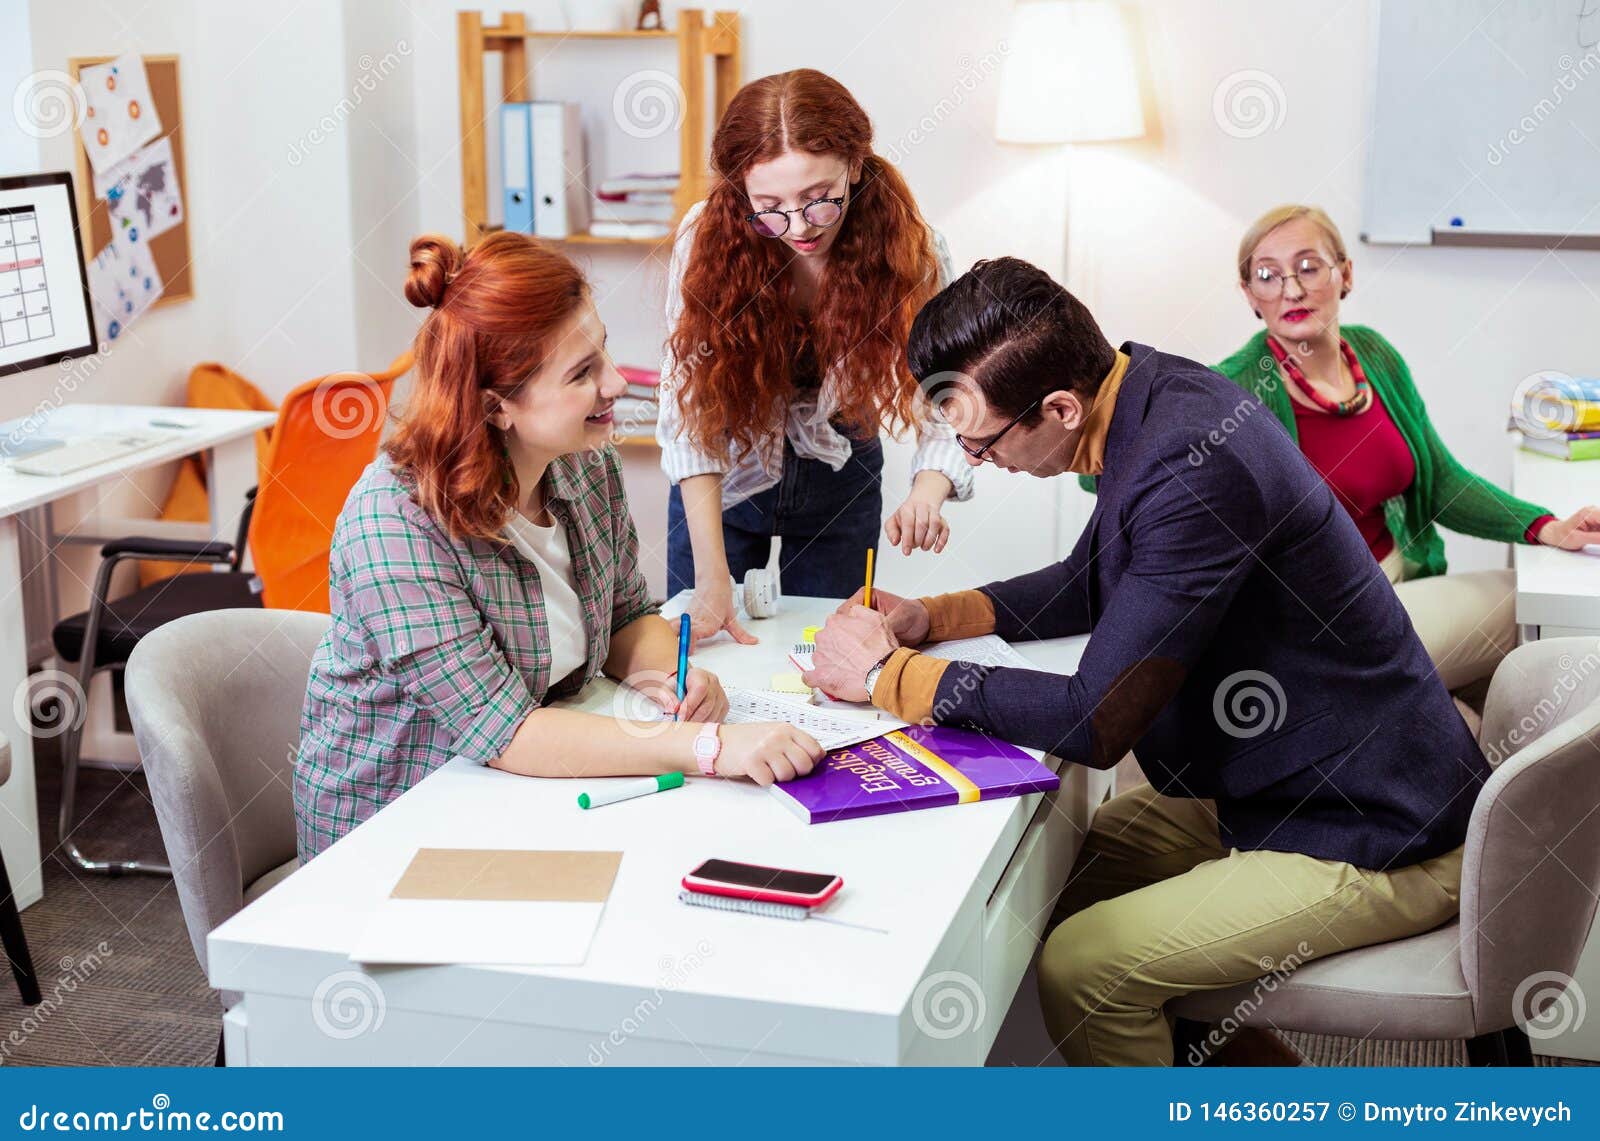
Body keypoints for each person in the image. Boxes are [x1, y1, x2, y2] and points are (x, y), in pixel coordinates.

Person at [803, 257, 1489, 1066]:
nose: (974, 461)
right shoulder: (1149, 395)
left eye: (979, 443)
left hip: (1372, 824)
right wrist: (931, 616)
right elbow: (1087, 582)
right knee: (1039, 894)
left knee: (1082, 965)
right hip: (1276, 776)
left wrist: (889, 679)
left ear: (1060, 407)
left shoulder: (1192, 467)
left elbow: (1096, 719)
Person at [294, 233, 822, 860]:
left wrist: (673, 675)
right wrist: (709, 749)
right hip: (396, 829)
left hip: (515, 797)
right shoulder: (395, 523)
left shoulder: (580, 461)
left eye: (604, 350)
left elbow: (626, 617)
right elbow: (507, 733)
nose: (615, 383)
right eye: (582, 373)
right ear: (497, 407)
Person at [1086, 205, 1600, 692]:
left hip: (1402, 580)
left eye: (1308, 267)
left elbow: (1440, 479)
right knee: (1524, 610)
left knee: (1517, 636)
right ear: (1249, 295)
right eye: (1267, 275)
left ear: (1345, 274)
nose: (1291, 289)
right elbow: (1108, 463)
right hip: (1321, 618)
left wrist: (1544, 526)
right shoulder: (1234, 389)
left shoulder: (1374, 354)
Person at [658, 68, 971, 648]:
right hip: (719, 486)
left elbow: (948, 395)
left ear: (854, 166)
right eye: (769, 206)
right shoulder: (702, 239)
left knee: (824, 656)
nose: (798, 228)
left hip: (841, 483)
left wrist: (928, 494)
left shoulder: (913, 249)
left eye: (818, 200)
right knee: (704, 662)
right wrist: (710, 579)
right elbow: (686, 413)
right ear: (738, 191)